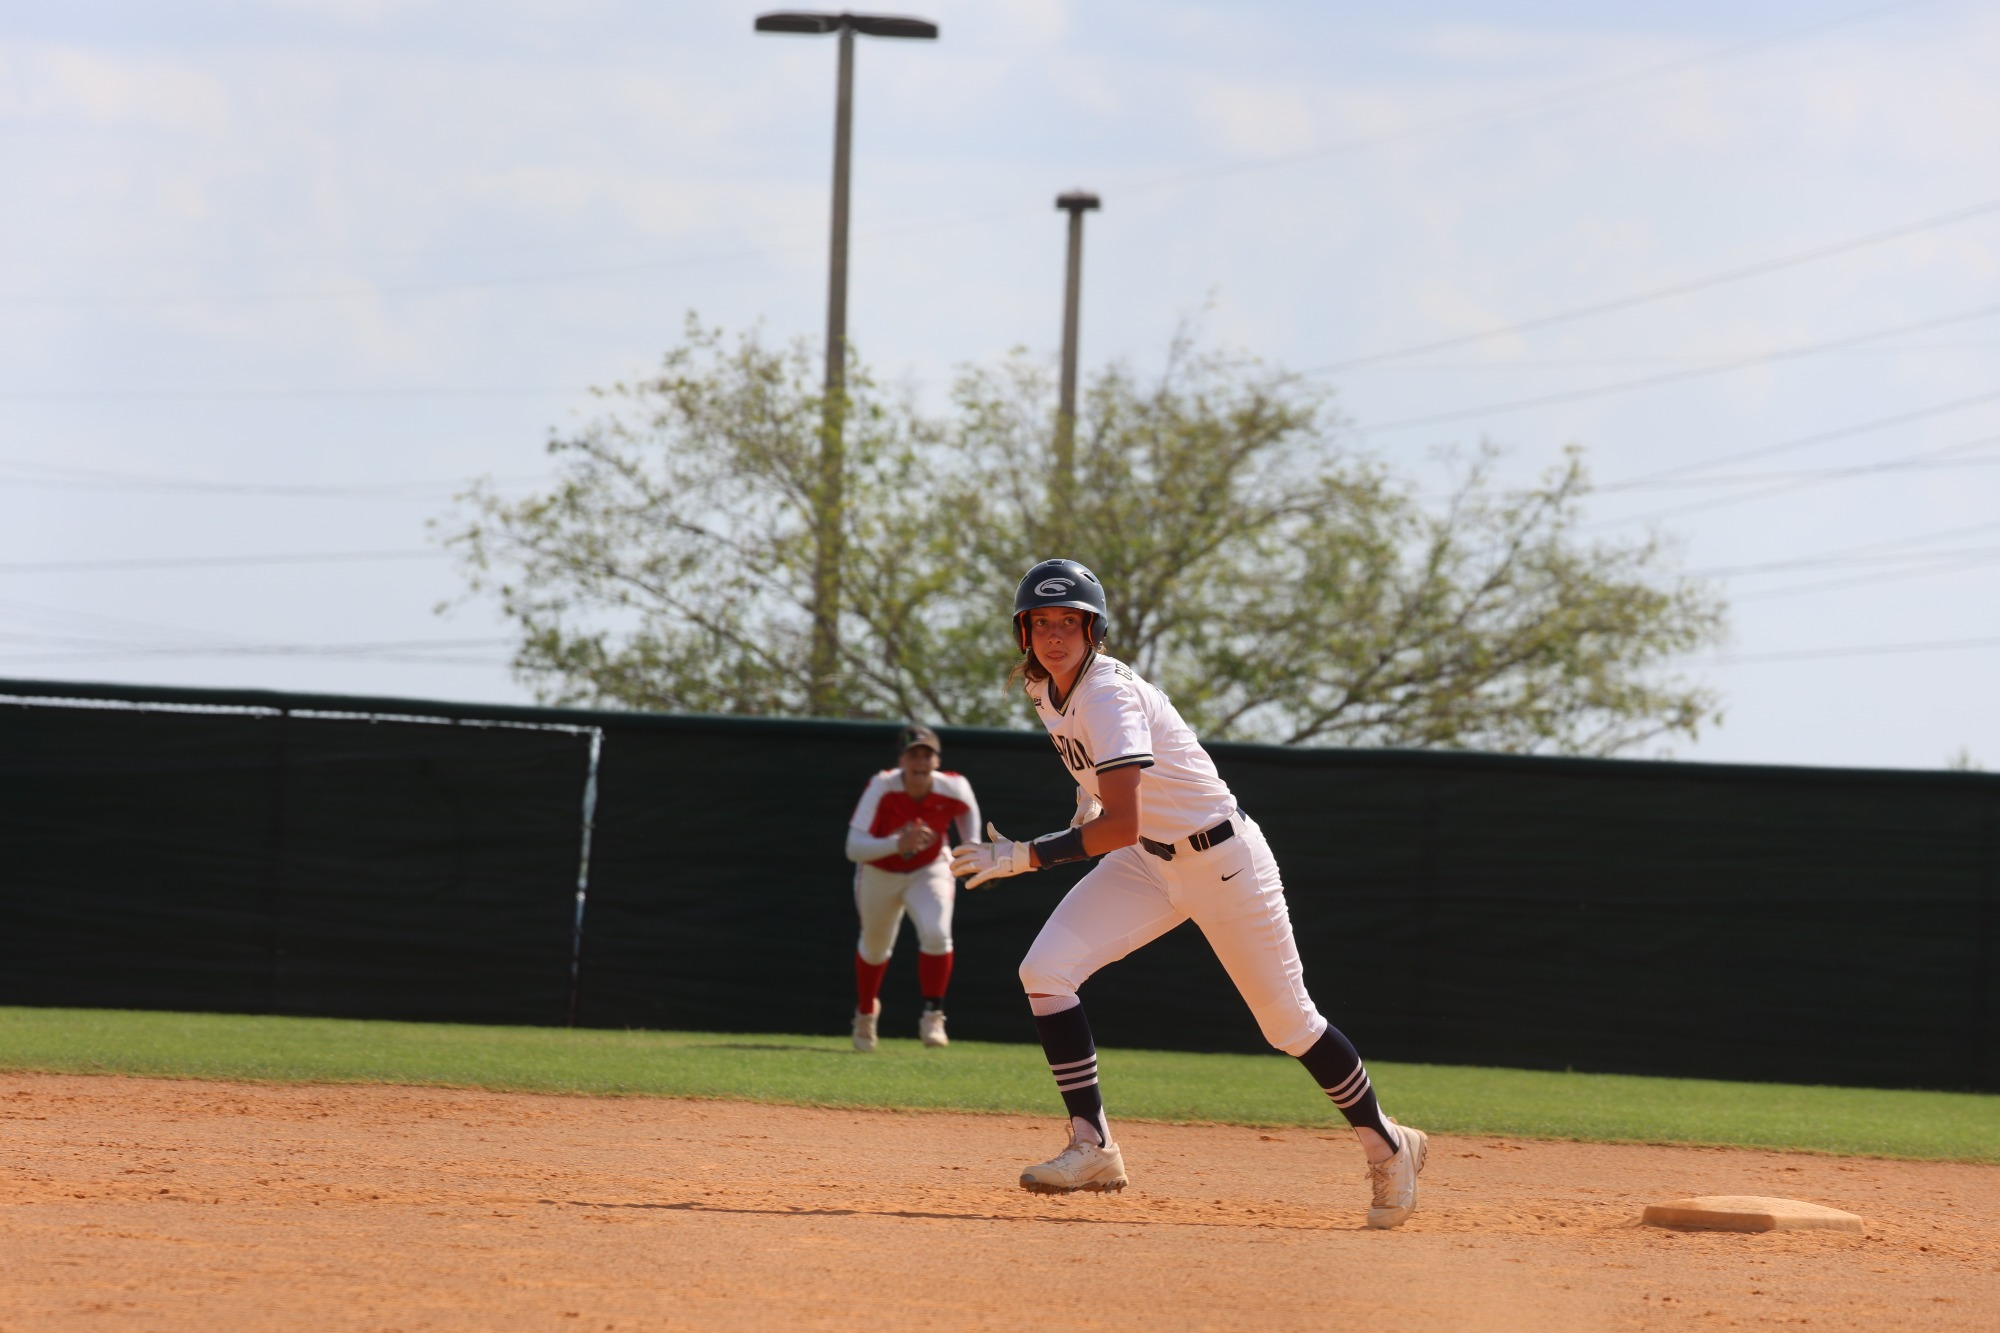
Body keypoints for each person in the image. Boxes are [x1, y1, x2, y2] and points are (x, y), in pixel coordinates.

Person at [950, 558, 1427, 1228]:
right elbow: (1101, 788)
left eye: (1069, 622)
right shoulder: (1044, 686)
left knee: (1287, 1022)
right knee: (1046, 971)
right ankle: (1093, 1146)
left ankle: (1389, 1143)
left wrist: (1027, 855)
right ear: (1023, 631)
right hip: (1149, 864)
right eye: (1042, 622)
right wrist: (1082, 808)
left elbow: (1125, 821)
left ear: (1093, 629)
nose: (1055, 634)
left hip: (1222, 860)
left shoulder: (1108, 692)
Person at [844, 724, 981, 1052]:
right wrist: (897, 843)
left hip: (929, 868)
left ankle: (933, 1015)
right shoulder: (882, 785)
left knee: (937, 934)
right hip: (880, 872)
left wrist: (972, 859)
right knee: (876, 948)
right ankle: (865, 1014)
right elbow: (853, 847)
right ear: (902, 759)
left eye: (926, 754)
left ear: (936, 760)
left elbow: (971, 832)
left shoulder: (955, 787)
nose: (920, 762)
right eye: (913, 754)